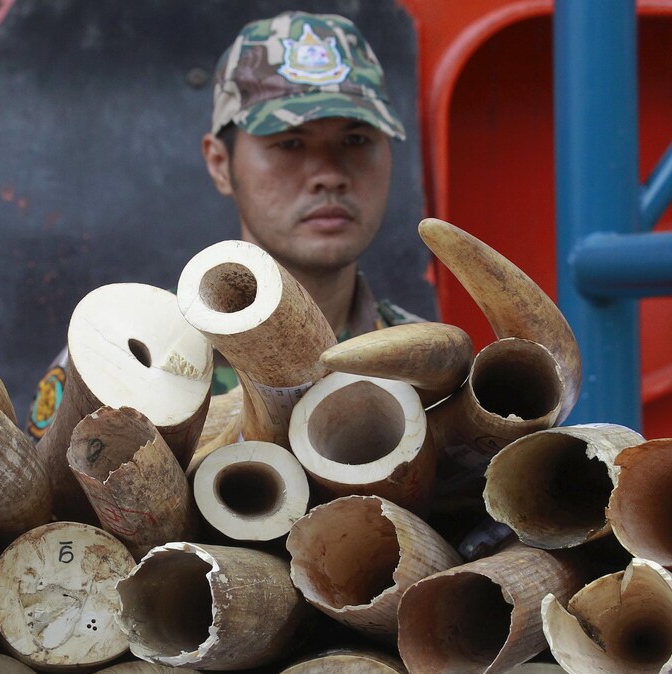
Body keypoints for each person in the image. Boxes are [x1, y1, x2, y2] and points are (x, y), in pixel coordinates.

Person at [26, 10, 422, 439]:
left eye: (356, 139)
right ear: (219, 163)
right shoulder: (125, 360)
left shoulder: (427, 371)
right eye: (290, 143)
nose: (329, 173)